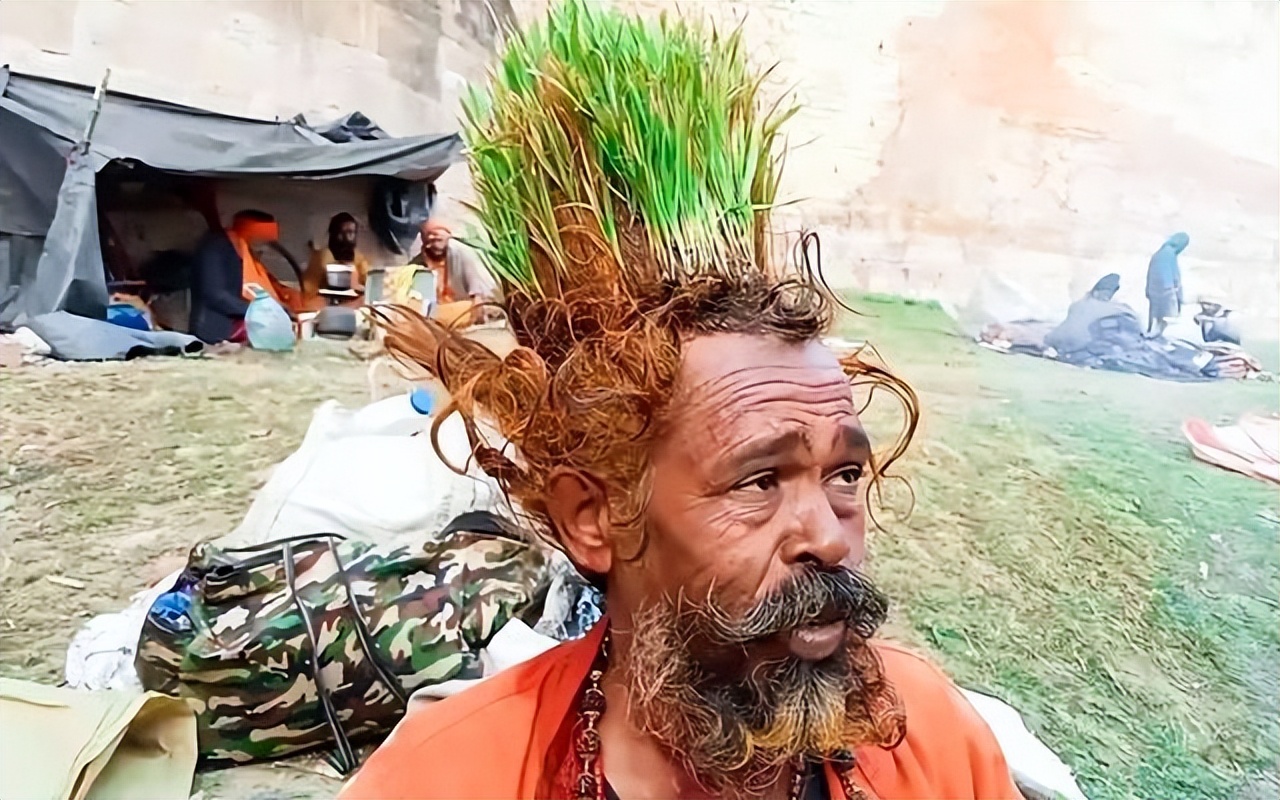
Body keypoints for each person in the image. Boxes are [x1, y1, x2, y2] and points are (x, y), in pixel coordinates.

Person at [341, 4, 1019, 800]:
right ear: (593, 518)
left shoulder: (930, 738)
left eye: (843, 475)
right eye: (760, 482)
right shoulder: (450, 777)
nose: (830, 541)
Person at [189, 210, 301, 344]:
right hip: (216, 332)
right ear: (249, 233)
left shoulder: (245, 253)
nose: (265, 246)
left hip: (247, 330)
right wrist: (260, 310)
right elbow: (215, 295)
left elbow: (263, 283)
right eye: (263, 239)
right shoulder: (215, 248)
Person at [1045, 273, 1141, 354]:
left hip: (1060, 343)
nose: (1106, 296)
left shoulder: (1078, 305)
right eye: (1106, 293)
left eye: (1109, 293)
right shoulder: (1105, 308)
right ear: (1097, 292)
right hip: (1078, 347)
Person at [409, 219, 496, 306]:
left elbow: (480, 294)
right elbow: (422, 303)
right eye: (430, 235)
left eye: (438, 237)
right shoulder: (418, 265)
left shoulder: (463, 253)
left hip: (467, 310)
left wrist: (478, 302)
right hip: (436, 312)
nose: (434, 238)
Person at [302, 212, 373, 307]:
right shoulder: (323, 257)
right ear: (334, 233)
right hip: (325, 306)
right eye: (342, 232)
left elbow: (369, 283)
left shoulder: (358, 257)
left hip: (355, 306)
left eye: (351, 232)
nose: (347, 237)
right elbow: (308, 292)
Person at [1145, 232, 1189, 339]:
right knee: (1167, 321)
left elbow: (1150, 274)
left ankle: (1150, 333)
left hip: (1153, 291)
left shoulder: (1159, 253)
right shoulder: (1170, 255)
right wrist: (1178, 296)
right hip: (1166, 292)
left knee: (1155, 317)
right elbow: (1174, 277)